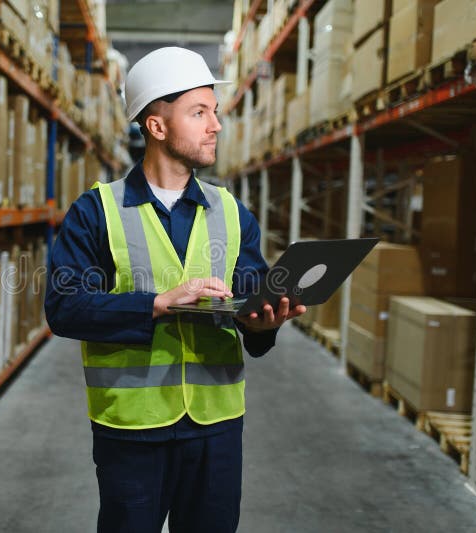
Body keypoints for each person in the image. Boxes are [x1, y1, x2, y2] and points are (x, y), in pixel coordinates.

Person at [45, 47, 305, 533]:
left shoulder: (230, 212)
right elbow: (64, 307)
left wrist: (264, 324)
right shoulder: (97, 211)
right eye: (199, 112)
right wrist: (158, 304)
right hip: (132, 428)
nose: (216, 126)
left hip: (217, 428)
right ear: (157, 127)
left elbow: (251, 301)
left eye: (215, 112)